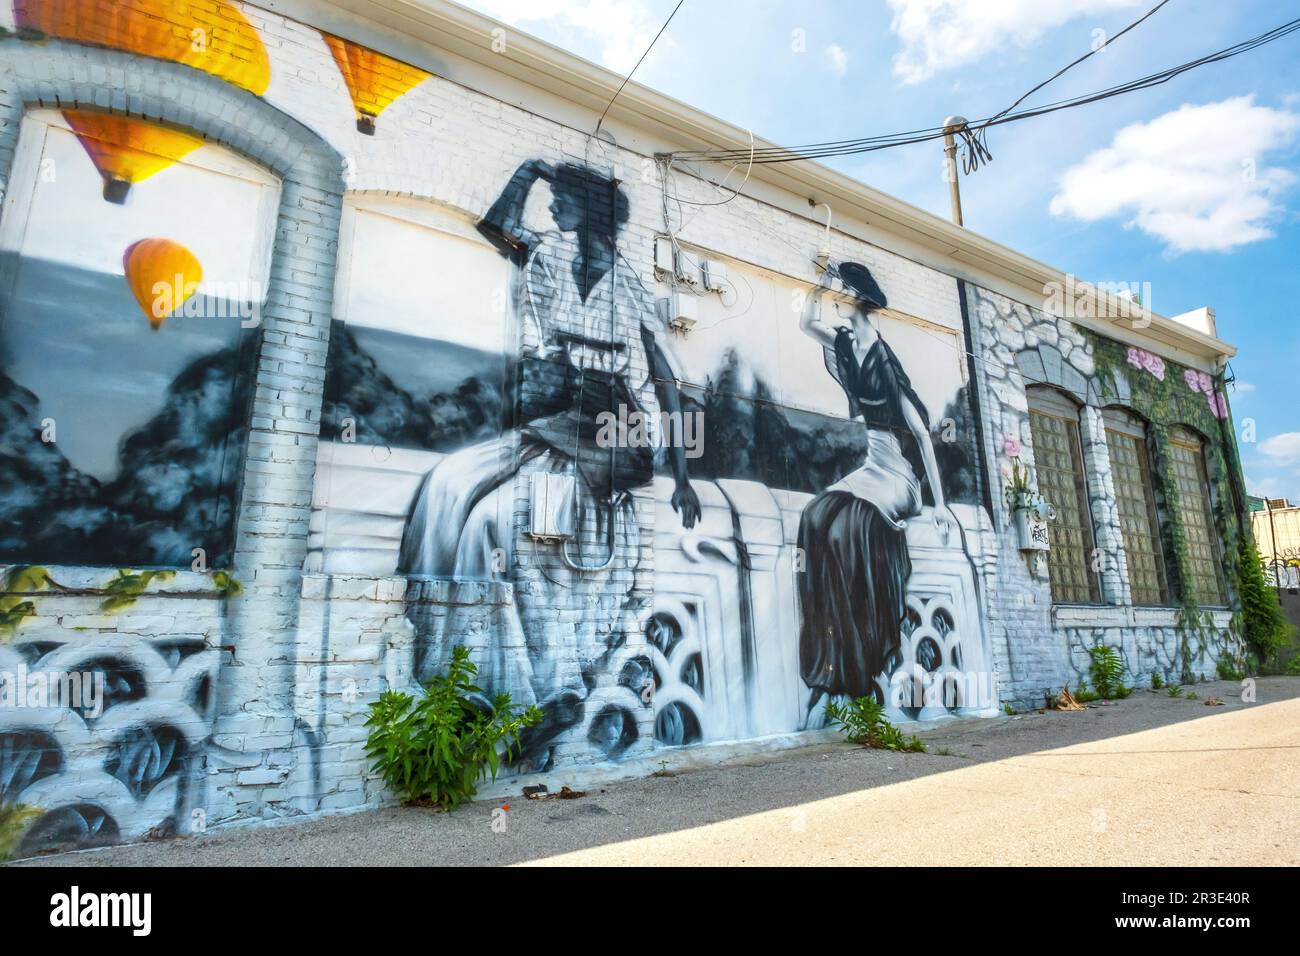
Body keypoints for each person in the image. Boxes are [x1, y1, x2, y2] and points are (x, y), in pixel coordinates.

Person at [398, 158, 699, 769]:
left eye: (562, 197)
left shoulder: (631, 285)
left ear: (591, 208)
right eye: (551, 196)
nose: (552, 205)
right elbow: (496, 225)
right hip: (554, 412)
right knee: (449, 482)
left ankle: (533, 691)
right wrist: (530, 170)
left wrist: (683, 476)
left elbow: (666, 380)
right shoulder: (549, 255)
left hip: (611, 425)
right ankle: (443, 670)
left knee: (500, 522)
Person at [794, 260, 949, 727]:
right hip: (870, 465)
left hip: (897, 473)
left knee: (852, 525)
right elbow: (804, 322)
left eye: (842, 291)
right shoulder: (844, 343)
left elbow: (922, 437)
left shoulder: (883, 359)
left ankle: (865, 658)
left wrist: (940, 505)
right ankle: (829, 662)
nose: (837, 297)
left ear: (859, 299)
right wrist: (817, 285)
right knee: (815, 515)